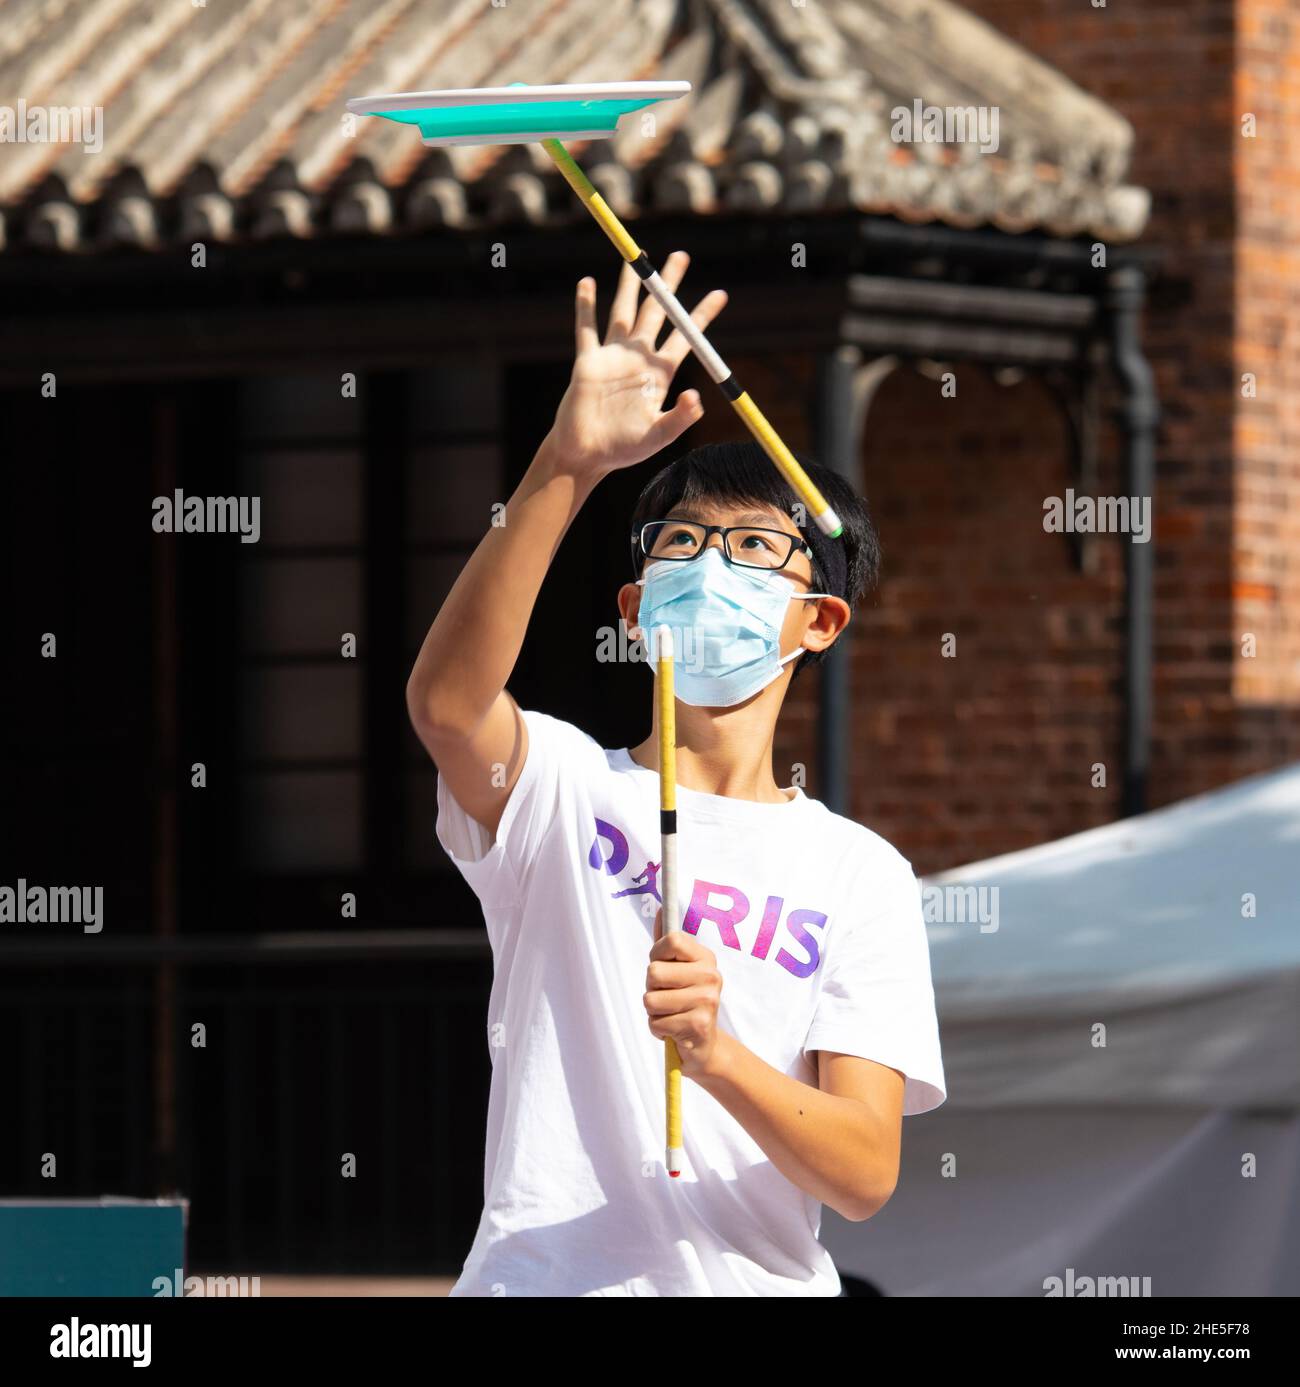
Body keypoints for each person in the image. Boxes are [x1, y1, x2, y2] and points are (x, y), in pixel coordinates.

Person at [407, 251, 946, 1296]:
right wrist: (568, 461)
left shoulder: (858, 870)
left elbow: (864, 1173)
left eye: (753, 547)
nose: (707, 567)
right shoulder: (562, 787)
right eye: (679, 543)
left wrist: (717, 1052)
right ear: (632, 606)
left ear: (821, 619)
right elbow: (446, 706)